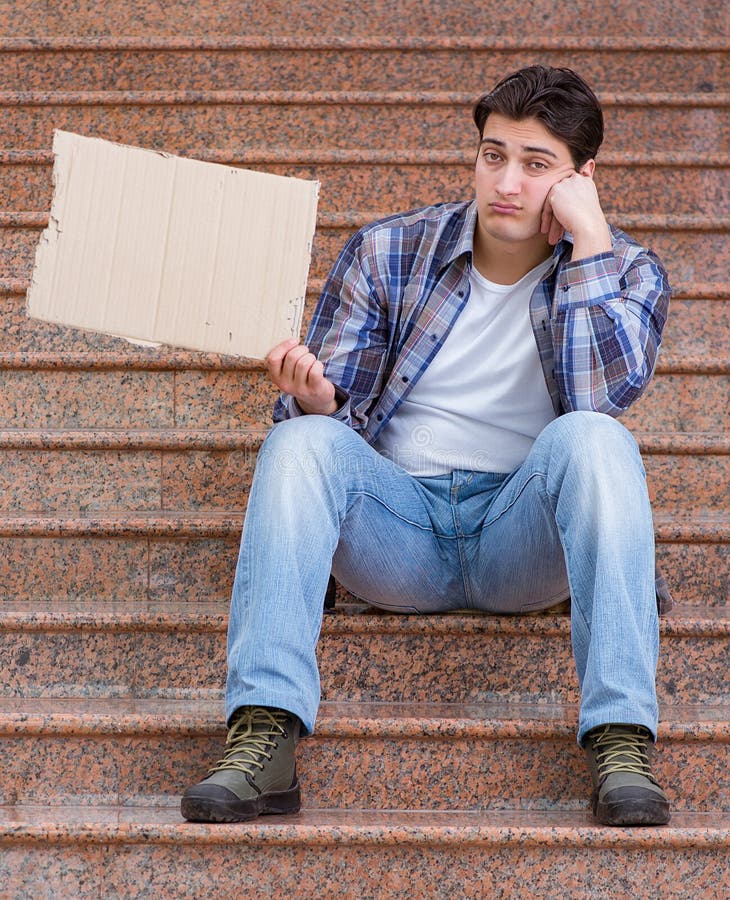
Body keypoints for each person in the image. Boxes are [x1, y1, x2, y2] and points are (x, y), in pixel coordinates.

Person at [181, 65, 673, 828]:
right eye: (493, 155)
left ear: (581, 178)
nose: (506, 183)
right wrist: (317, 402)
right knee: (301, 440)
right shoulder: (388, 251)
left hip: (523, 539)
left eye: (536, 164)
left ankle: (620, 739)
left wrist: (592, 241)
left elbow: (595, 397)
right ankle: (265, 735)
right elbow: (336, 421)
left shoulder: (628, 271)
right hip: (398, 532)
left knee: (595, 438)